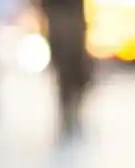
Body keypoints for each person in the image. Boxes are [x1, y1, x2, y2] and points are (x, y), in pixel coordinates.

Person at [40, 0, 91, 139]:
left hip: (69, 28)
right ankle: (68, 114)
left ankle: (71, 113)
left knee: (73, 75)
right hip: (63, 27)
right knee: (66, 76)